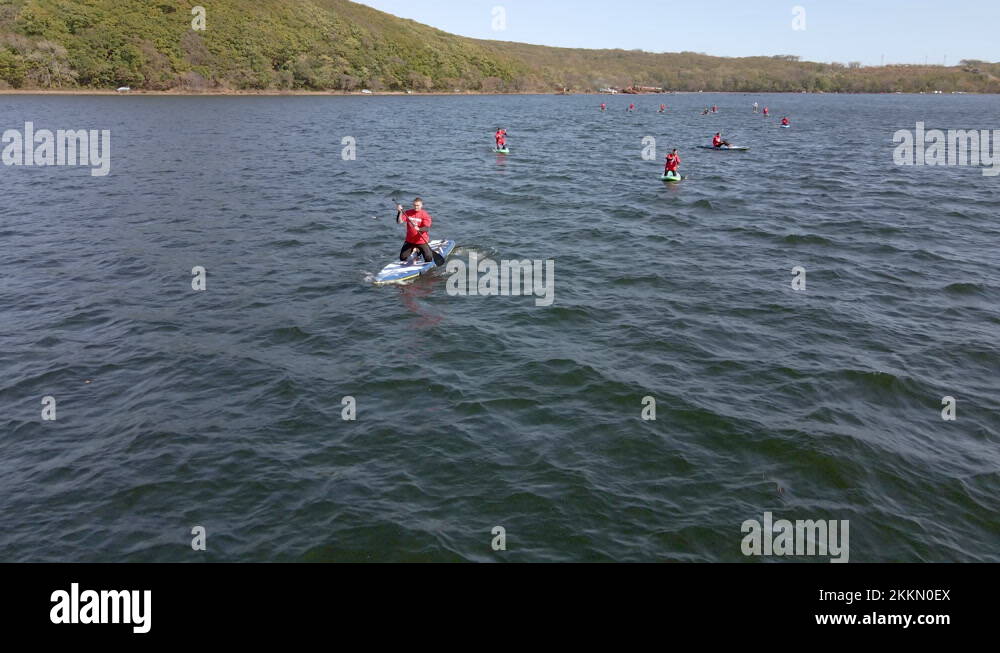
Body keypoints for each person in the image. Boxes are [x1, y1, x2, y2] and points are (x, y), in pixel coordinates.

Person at [396, 198, 445, 266]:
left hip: (421, 241)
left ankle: (418, 251)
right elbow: (399, 222)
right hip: (410, 240)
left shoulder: (425, 215)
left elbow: (426, 228)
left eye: (418, 205)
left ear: (421, 205)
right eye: (414, 205)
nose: (416, 207)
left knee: (428, 259)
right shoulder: (408, 213)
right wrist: (399, 212)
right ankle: (416, 251)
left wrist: (419, 229)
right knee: (402, 258)